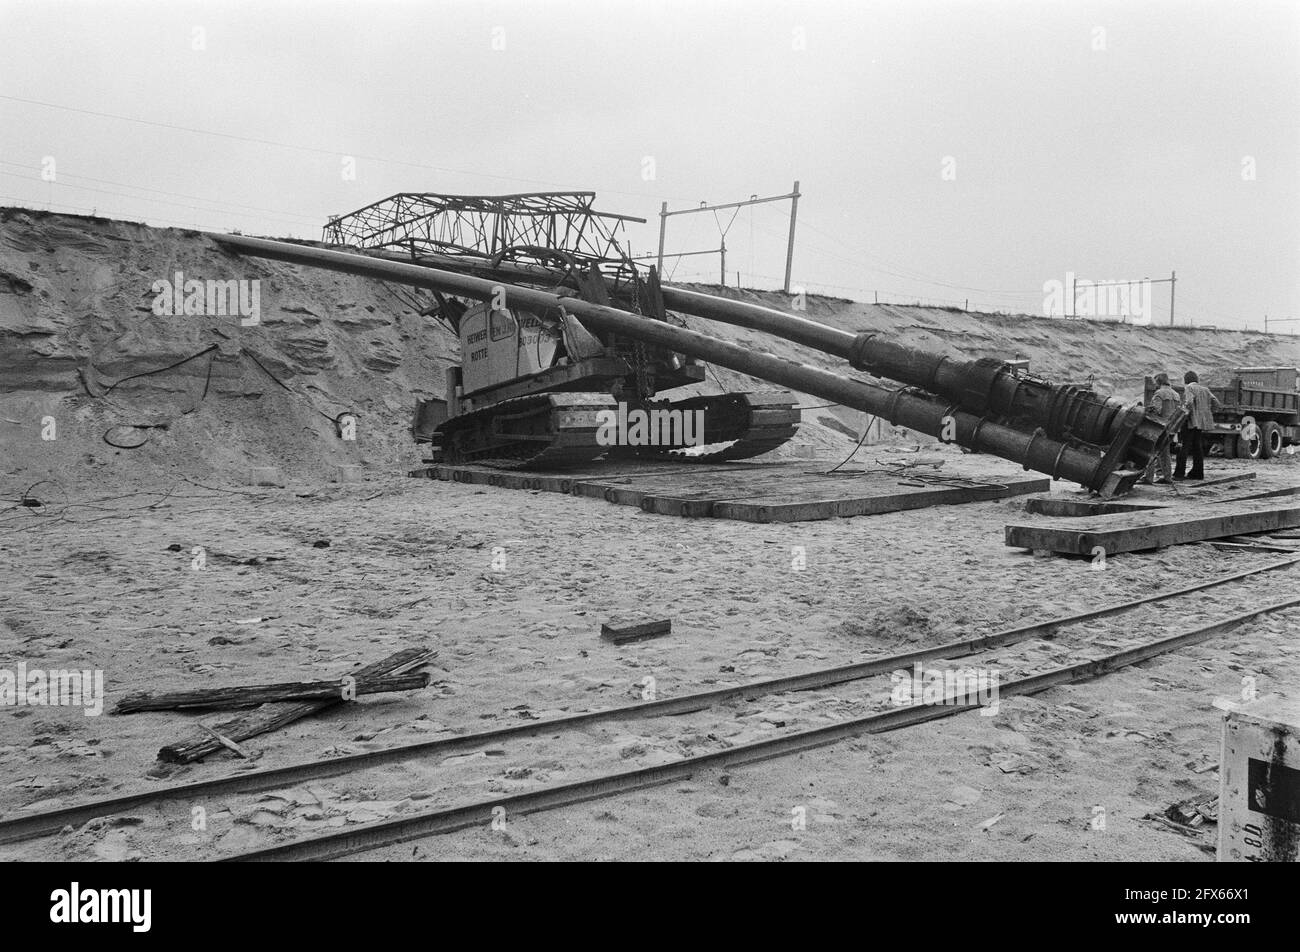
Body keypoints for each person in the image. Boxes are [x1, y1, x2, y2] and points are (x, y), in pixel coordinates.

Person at [1174, 371, 1222, 480]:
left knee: (1184, 447)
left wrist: (1183, 414)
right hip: (1200, 423)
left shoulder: (1189, 388)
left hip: (1190, 421)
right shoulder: (1205, 389)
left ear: (1186, 380)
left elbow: (1189, 402)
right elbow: (1216, 403)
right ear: (1197, 379)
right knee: (1197, 447)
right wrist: (1208, 413)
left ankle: (1179, 474)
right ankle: (1198, 474)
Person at [1142, 373, 1179, 485]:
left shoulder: (1159, 393)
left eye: (1155, 382)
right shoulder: (1176, 394)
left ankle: (1148, 477)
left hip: (1159, 427)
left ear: (1159, 382)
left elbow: (1156, 411)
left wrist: (1146, 412)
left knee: (1150, 451)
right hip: (1171, 427)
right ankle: (1167, 477)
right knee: (1165, 452)